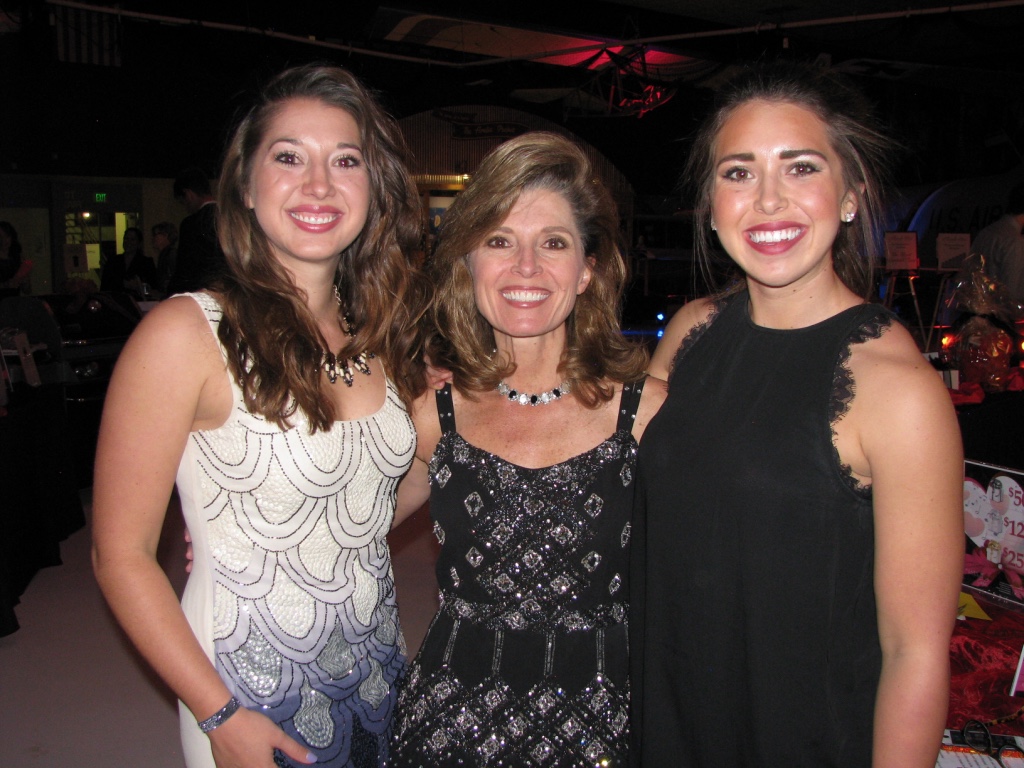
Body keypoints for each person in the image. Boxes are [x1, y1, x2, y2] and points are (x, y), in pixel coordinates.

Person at [92, 63, 429, 768]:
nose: (318, 185)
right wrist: (219, 715)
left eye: (346, 161)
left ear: (375, 190)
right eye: (288, 158)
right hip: (248, 685)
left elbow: (362, 512)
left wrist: (440, 441)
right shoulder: (187, 335)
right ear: (244, 186)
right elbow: (119, 556)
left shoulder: (380, 335)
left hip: (376, 666)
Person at [631, 62, 964, 767]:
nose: (769, 201)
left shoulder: (897, 390)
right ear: (711, 201)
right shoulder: (691, 332)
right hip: (669, 720)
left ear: (850, 194)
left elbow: (915, 653)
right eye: (739, 173)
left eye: (801, 167)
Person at [389, 132, 666, 766]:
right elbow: (351, 527)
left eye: (554, 243)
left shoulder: (647, 413)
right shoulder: (436, 415)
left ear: (588, 267)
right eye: (499, 241)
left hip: (604, 723)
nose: (526, 268)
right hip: (451, 721)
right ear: (469, 262)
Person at [167, 166, 228, 294]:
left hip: (204, 293)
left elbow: (185, 271)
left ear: (188, 195)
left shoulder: (191, 224)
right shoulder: (232, 217)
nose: (186, 208)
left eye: (182, 202)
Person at [972, 181, 1024, 306]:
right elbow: (1014, 292)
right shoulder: (1014, 241)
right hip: (1002, 316)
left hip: (978, 310)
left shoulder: (986, 232)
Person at [100, 225, 157, 297]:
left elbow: (153, 286)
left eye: (132, 239)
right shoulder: (113, 261)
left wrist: (138, 286)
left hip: (138, 303)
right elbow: (105, 285)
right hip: (116, 301)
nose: (128, 242)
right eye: (126, 239)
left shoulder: (146, 262)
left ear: (139, 243)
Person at [0, 221, 32, 298]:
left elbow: (27, 290)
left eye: (7, 236)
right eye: (1, 237)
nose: (4, 240)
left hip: (14, 302)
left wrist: (24, 282)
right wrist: (6, 285)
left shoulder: (18, 257)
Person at [151, 220, 179, 296]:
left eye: (156, 234)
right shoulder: (165, 254)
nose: (153, 238)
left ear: (166, 235)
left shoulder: (171, 254)